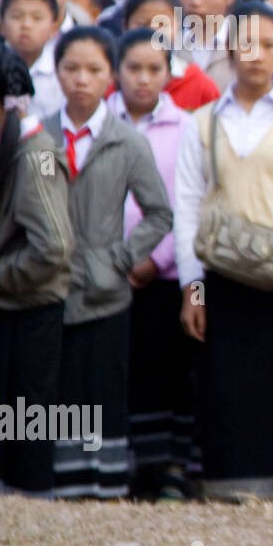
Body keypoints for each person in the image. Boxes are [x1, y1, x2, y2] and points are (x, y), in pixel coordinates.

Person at [174, 0, 273, 502]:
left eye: (268, 43)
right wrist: (191, 289)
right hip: (221, 277)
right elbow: (186, 209)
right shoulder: (199, 123)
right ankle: (229, 487)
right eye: (245, 43)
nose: (257, 54)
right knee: (225, 385)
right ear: (228, 49)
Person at [47, 25, 172, 499]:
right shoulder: (38, 136)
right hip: (48, 286)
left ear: (110, 77)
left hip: (105, 291)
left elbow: (159, 213)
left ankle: (105, 480)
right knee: (57, 385)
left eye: (94, 69)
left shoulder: (126, 142)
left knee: (102, 386)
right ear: (56, 72)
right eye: (71, 68)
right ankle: (59, 479)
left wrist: (118, 259)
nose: (81, 79)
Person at [108, 28, 194, 499]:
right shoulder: (103, 123)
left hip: (165, 276)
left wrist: (152, 259)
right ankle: (129, 468)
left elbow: (186, 205)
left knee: (165, 371)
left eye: (154, 69)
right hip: (108, 273)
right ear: (117, 70)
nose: (143, 79)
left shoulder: (185, 129)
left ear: (168, 74)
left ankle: (170, 471)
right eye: (133, 68)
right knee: (122, 369)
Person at [0, 50, 74, 496]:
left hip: (31, 310)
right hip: (10, 301)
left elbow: (55, 247)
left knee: (26, 433)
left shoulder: (36, 153)